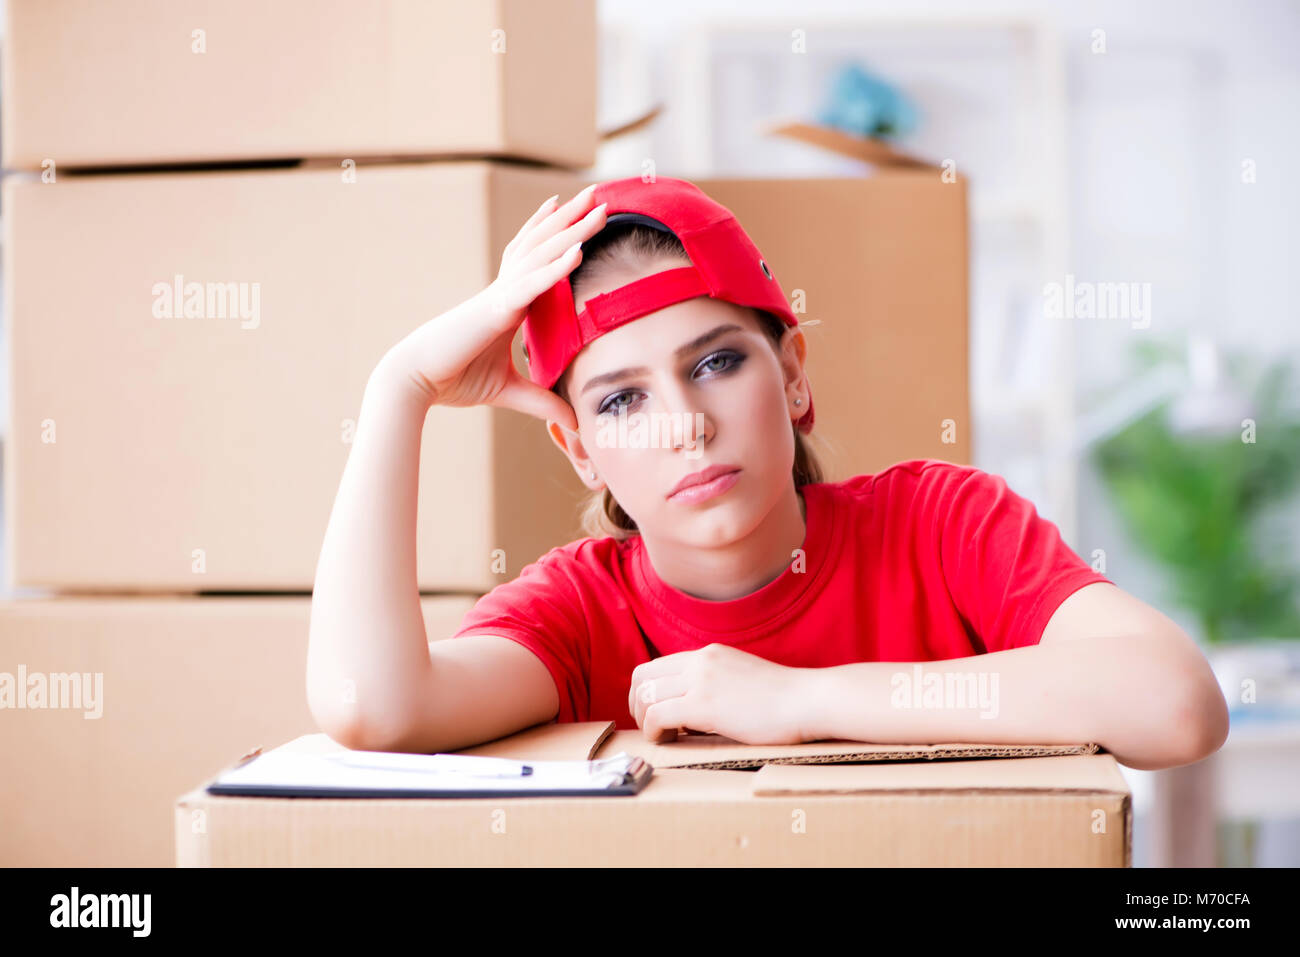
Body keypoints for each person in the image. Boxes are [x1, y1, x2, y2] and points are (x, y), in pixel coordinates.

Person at [307, 178, 1229, 771]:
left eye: (715, 363)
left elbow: (1176, 704)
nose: (687, 423)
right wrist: (401, 387)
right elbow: (370, 707)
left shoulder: (940, 524)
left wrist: (799, 700)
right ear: (580, 446)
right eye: (622, 401)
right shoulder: (577, 614)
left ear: (791, 375)